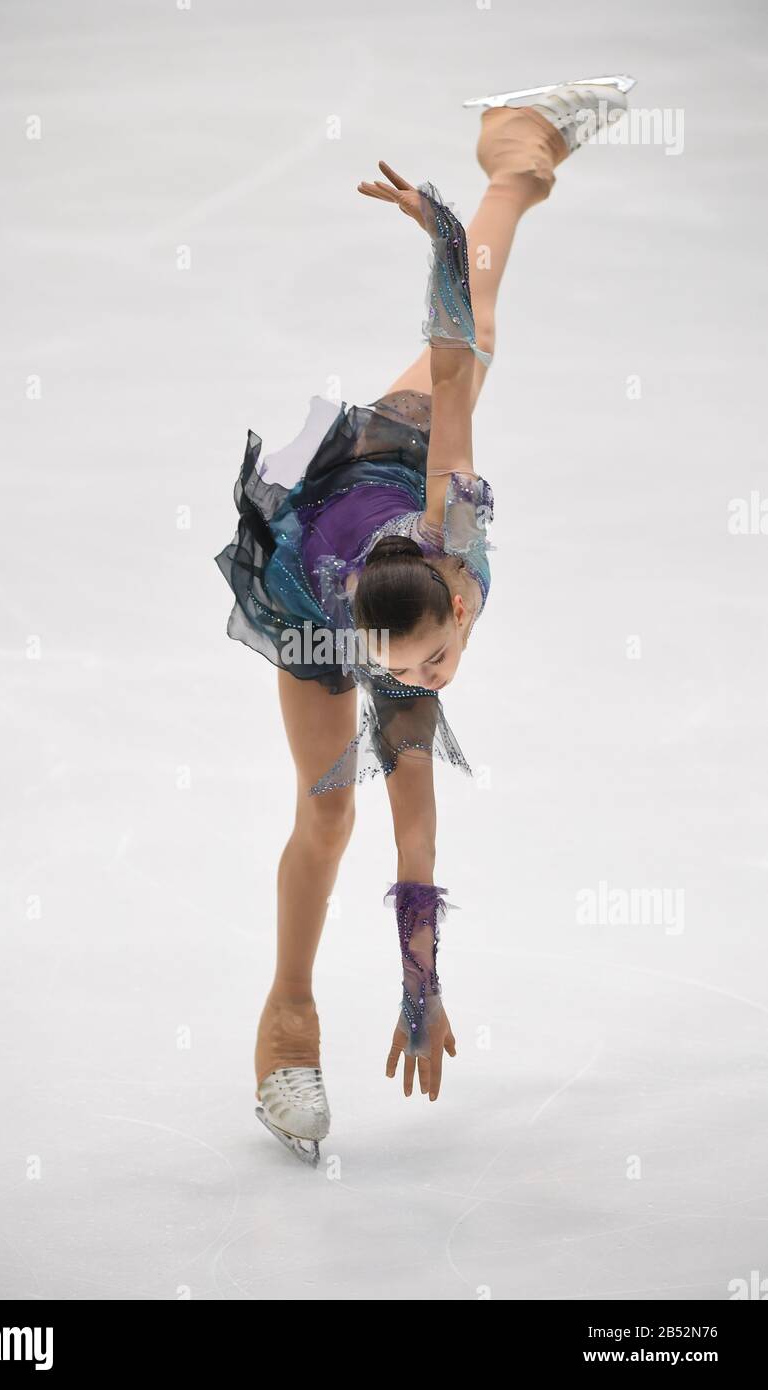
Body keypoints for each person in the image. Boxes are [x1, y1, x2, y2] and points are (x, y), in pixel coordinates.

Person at [215, 76, 636, 1164]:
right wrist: (421, 985)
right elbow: (406, 817)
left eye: (440, 655)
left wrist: (442, 231)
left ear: (455, 595)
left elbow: (448, 350)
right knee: (328, 817)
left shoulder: (448, 521)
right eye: (421, 668)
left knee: (479, 330)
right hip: (317, 577)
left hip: (379, 473)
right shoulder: (348, 635)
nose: (438, 676)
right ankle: (288, 1018)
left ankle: (517, 146)